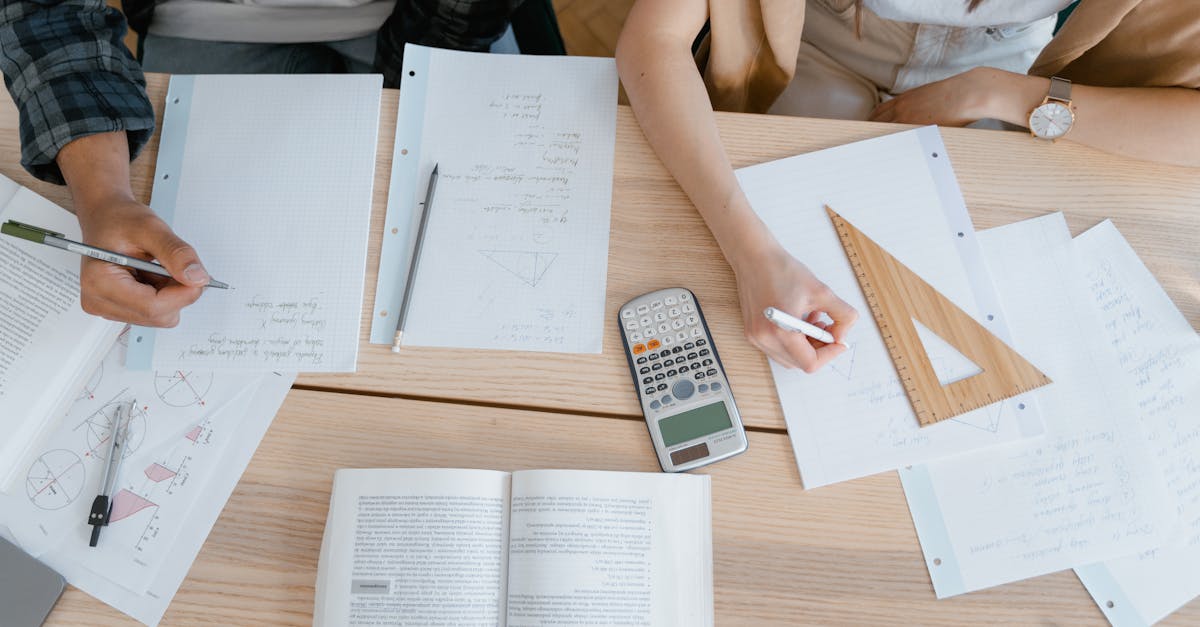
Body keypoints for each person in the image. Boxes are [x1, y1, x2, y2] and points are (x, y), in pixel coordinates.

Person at [615, 0, 1200, 373]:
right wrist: (751, 252)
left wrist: (998, 93)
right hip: (805, 45)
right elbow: (654, 41)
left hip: (1017, 73)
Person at [0, 0, 531, 328]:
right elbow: (43, 12)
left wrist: (411, 76)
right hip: (203, 19)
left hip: (436, 14)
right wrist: (103, 197)